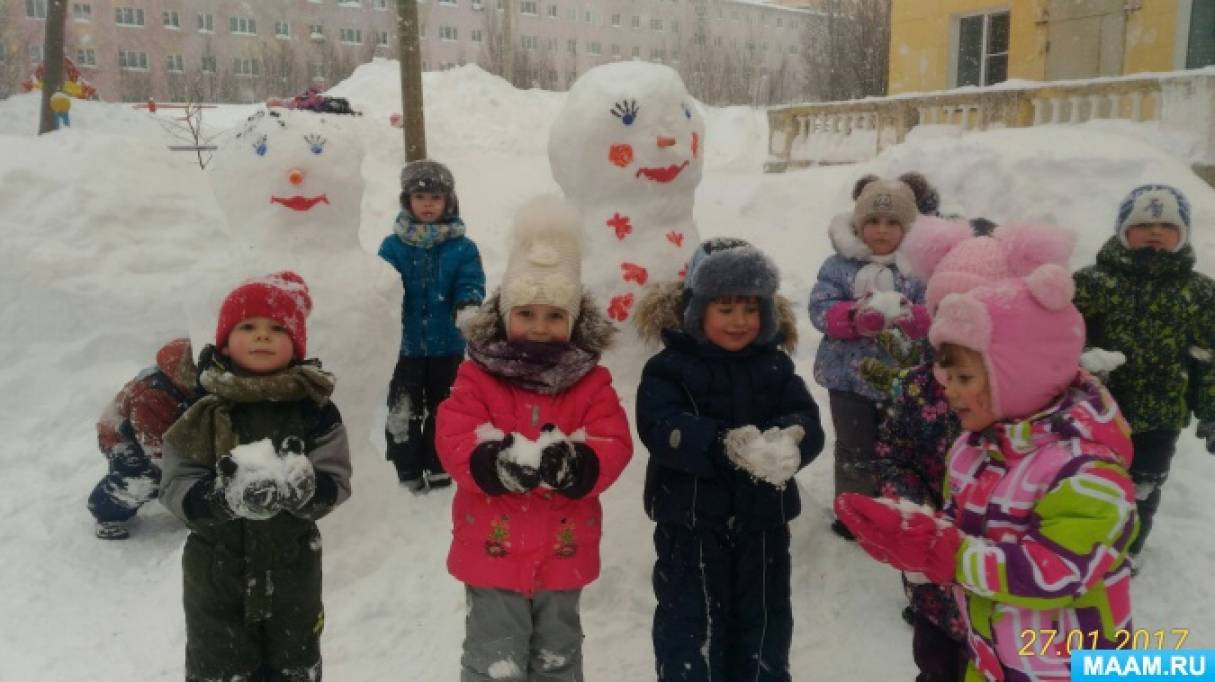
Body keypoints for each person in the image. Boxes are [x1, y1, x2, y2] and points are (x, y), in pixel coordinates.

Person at [836, 262, 1137, 681]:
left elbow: (1054, 572)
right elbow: (960, 530)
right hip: (995, 660)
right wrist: (915, 534)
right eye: (946, 374)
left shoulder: (1088, 474)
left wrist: (944, 552)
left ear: (1019, 377)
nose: (949, 388)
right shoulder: (972, 452)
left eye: (964, 377)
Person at [863, 217, 1076, 682]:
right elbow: (892, 456)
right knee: (938, 667)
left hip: (1017, 602)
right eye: (944, 312)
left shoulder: (1045, 413)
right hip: (936, 587)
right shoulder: (916, 388)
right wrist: (914, 513)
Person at [435, 195, 633, 681]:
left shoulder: (590, 381)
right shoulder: (477, 375)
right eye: (526, 313)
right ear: (504, 315)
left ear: (573, 321)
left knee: (558, 656)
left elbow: (612, 441)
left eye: (553, 316)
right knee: (494, 658)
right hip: (492, 550)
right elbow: (454, 433)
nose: (539, 327)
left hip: (564, 550)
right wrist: (490, 463)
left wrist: (579, 465)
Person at [635, 238, 825, 681]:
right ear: (698, 310)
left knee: (763, 620)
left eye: (750, 308)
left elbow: (805, 418)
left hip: (763, 523)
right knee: (691, 624)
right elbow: (659, 426)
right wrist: (721, 443)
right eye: (725, 308)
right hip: (691, 524)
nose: (740, 321)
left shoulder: (775, 366)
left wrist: (795, 440)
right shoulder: (669, 367)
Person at [160, 271, 352, 682]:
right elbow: (176, 482)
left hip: (293, 568)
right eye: (248, 327)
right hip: (215, 572)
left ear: (296, 344)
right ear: (226, 342)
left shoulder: (313, 408)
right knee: (220, 666)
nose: (262, 336)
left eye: (277, 329)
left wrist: (309, 490)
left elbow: (336, 475)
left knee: (294, 663)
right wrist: (219, 498)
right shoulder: (205, 407)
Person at [1073, 184, 1215, 570]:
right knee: (1090, 476)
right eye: (1144, 224)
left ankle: (1126, 550)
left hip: (1162, 413)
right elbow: (1062, 335)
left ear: (1182, 233)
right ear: (1123, 231)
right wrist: (1081, 360)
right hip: (1097, 408)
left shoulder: (1199, 292)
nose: (1155, 232)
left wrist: (1211, 412)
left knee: (1144, 483)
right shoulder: (1093, 282)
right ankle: (1082, 542)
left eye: (1168, 225)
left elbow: (1210, 356)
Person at [808, 173, 935, 540]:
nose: (882, 230)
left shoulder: (916, 270)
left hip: (904, 380)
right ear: (858, 225)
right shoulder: (838, 267)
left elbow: (934, 309)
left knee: (898, 448)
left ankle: (896, 507)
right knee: (854, 447)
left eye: (893, 222)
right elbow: (820, 307)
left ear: (908, 228)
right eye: (873, 222)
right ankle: (854, 512)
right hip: (847, 378)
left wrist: (915, 320)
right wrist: (854, 318)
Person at [379, 159, 486, 492]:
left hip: (447, 346)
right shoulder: (392, 246)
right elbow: (381, 288)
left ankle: (440, 465)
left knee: (446, 409)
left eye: (436, 198)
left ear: (448, 202)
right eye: (420, 197)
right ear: (407, 201)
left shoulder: (463, 248)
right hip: (404, 347)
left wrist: (467, 306)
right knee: (402, 411)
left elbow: (469, 281)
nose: (428, 204)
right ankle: (407, 468)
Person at [88, 337, 197, 540]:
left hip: (167, 430)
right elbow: (157, 451)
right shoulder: (150, 395)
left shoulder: (192, 380)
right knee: (142, 478)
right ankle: (107, 509)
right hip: (122, 436)